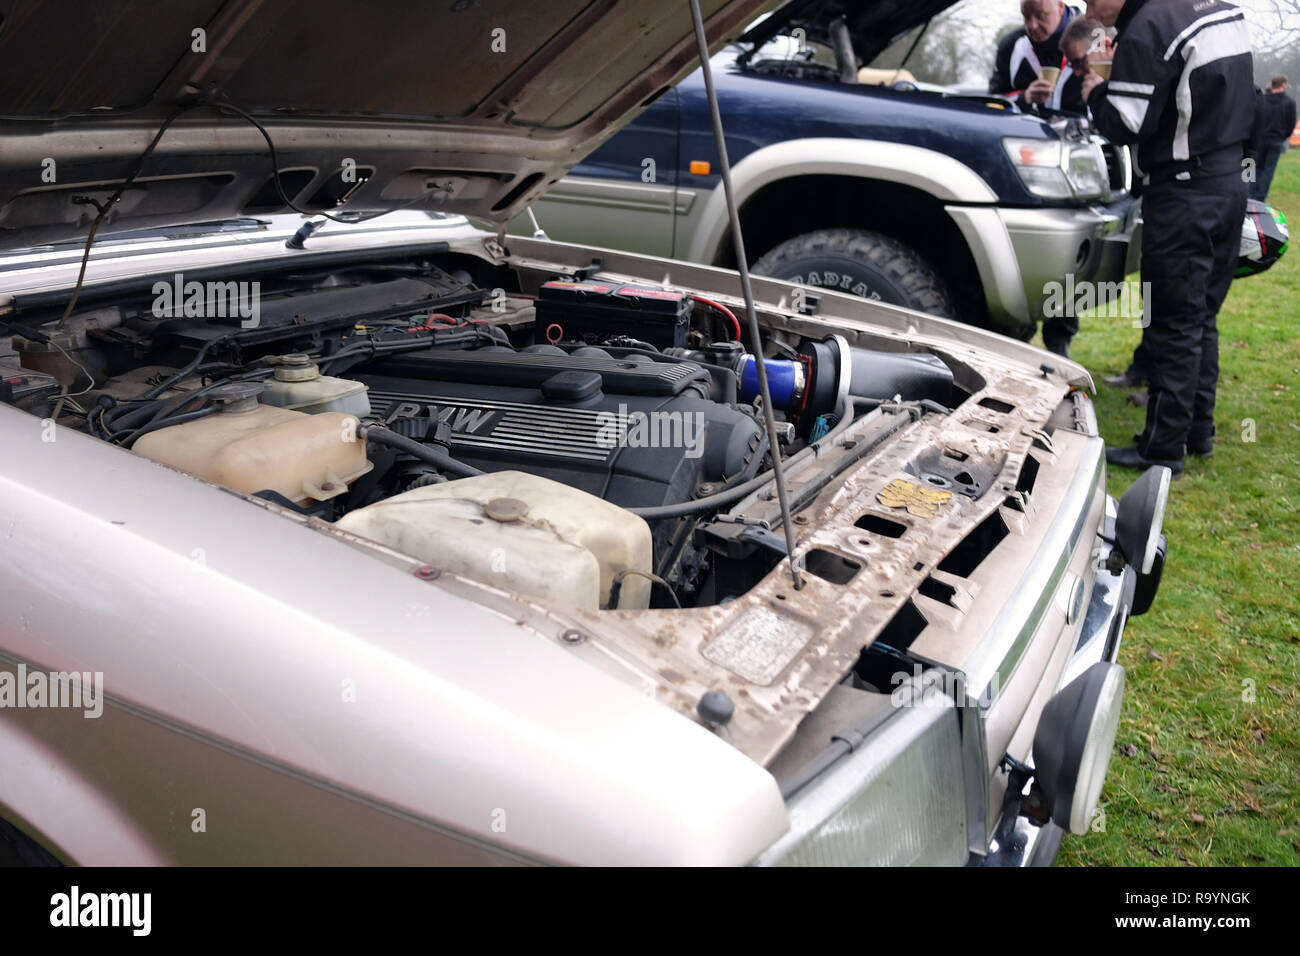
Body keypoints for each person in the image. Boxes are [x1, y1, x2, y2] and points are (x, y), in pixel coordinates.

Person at [1083, 0, 1254, 478]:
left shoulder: (1148, 27)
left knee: (1172, 324)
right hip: (1228, 183)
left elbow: (1125, 122)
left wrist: (1096, 90)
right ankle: (1198, 433)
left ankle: (1161, 450)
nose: (1090, 8)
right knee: (1202, 318)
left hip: (1183, 194)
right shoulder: (1223, 9)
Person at [990, 1, 1088, 115]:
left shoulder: (1094, 35)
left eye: (1040, 16)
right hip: (1028, 130)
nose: (1033, 26)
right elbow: (994, 100)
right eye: (1026, 17)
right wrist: (1024, 97)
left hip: (1084, 130)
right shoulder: (1011, 45)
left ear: (1060, 7)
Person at [1249, 75, 1297, 202]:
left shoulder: (1262, 100)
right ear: (1283, 85)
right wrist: (1282, 136)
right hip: (1276, 139)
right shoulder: (1289, 103)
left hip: (1260, 139)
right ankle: (1260, 197)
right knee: (1268, 170)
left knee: (1257, 167)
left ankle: (1251, 194)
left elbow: (1255, 119)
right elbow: (1291, 124)